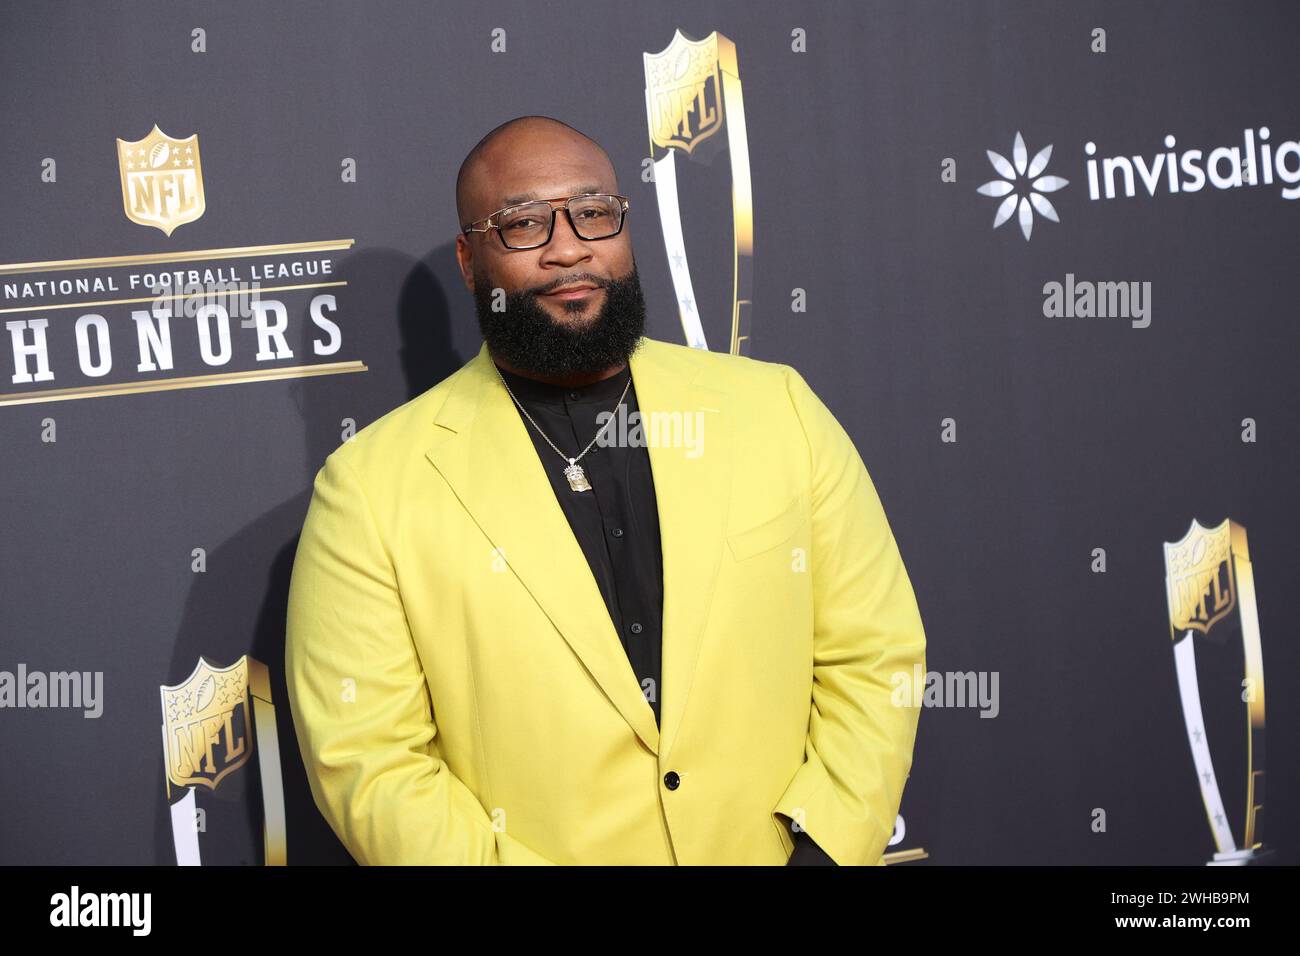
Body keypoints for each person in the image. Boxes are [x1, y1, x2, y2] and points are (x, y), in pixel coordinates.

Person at [284, 115, 926, 865]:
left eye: (593, 213)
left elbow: (877, 655)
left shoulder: (776, 410)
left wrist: (822, 846)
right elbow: (372, 763)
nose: (568, 247)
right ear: (470, 260)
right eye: (523, 223)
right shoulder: (369, 490)